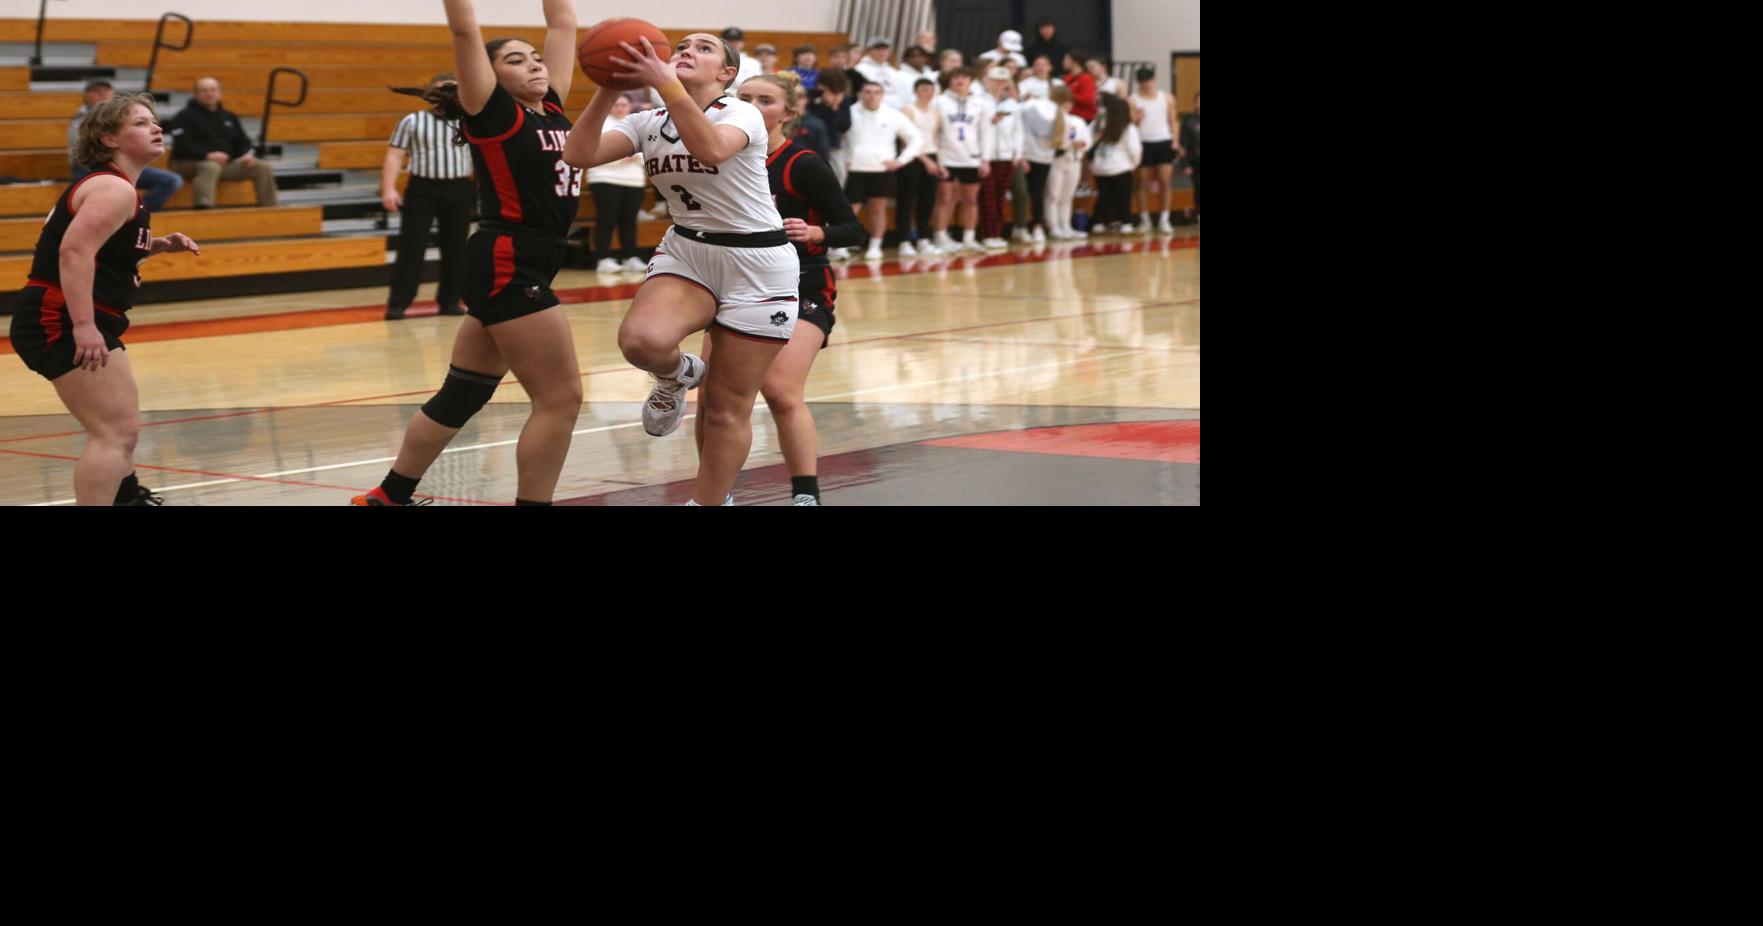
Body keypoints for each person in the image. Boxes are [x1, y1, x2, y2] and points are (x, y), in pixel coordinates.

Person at [352, 0, 583, 507]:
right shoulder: (493, 112)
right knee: (561, 399)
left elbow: (562, 22)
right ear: (490, 78)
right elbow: (464, 27)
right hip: (509, 259)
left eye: (535, 57)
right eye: (516, 60)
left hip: (523, 259)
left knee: (464, 392)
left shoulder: (553, 108)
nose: (535, 64)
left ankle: (389, 496)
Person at [563, 30, 802, 507]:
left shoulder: (743, 112)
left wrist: (663, 82)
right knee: (640, 342)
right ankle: (676, 374)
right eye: (684, 45)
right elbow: (577, 155)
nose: (689, 50)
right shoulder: (647, 119)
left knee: (725, 411)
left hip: (757, 263)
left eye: (705, 48)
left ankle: (707, 503)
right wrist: (608, 84)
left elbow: (711, 149)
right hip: (689, 248)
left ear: (727, 74)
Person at [10, 94, 201, 506]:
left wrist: (158, 246)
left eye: (155, 121)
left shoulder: (113, 187)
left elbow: (97, 247)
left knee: (122, 429)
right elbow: (72, 253)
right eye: (140, 123)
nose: (156, 128)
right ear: (109, 138)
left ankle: (127, 498)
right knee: (114, 432)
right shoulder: (113, 189)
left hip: (77, 314)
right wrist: (83, 326)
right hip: (60, 316)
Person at [695, 72, 864, 506]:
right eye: (744, 97)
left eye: (765, 100)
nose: (752, 105)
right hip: (734, 283)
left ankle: (805, 495)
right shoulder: (719, 158)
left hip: (802, 281)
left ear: (789, 112)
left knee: (780, 390)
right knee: (713, 399)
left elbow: (853, 228)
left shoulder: (802, 163)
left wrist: (816, 231)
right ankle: (717, 494)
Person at [380, 72, 473, 319]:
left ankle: (450, 301)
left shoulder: (469, 120)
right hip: (423, 188)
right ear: (430, 95)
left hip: (460, 188)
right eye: (441, 91)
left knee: (457, 248)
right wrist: (388, 188)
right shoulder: (412, 121)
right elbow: (394, 155)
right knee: (412, 246)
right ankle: (398, 303)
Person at [68, 78, 182, 212]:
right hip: (88, 167)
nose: (158, 129)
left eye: (106, 90)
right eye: (141, 123)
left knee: (170, 180)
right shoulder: (81, 121)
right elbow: (86, 153)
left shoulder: (121, 117)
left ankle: (137, 214)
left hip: (118, 166)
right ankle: (133, 214)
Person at [166, 76, 277, 207]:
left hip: (225, 164)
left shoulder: (229, 116)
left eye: (213, 90)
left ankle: (270, 208)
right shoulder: (183, 116)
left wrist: (246, 155)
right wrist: (207, 156)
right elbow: (182, 144)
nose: (209, 93)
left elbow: (242, 142)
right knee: (210, 166)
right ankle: (203, 209)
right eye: (204, 90)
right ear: (195, 94)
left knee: (262, 167)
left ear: (219, 93)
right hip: (187, 163)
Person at [842, 80, 923, 260]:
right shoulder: (849, 113)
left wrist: (901, 160)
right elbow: (838, 138)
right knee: (849, 210)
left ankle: (875, 245)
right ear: (860, 94)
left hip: (881, 170)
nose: (872, 96)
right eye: (868, 92)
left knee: (878, 208)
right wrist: (844, 158)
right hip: (854, 169)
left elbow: (916, 138)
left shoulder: (893, 115)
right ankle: (841, 246)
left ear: (882, 95)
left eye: (876, 92)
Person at [928, 67, 992, 253]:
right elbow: (934, 132)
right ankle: (940, 236)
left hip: (971, 158)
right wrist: (937, 158)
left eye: (964, 77)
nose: (960, 81)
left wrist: (985, 159)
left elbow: (986, 133)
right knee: (945, 199)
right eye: (956, 77)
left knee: (971, 200)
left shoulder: (980, 103)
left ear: (971, 80)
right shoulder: (939, 102)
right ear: (949, 80)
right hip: (947, 158)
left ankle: (969, 238)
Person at [586, 93, 648, 273]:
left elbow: (647, 151)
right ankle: (603, 258)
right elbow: (593, 151)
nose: (620, 108)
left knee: (629, 221)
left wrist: (634, 157)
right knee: (607, 219)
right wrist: (620, 158)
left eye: (624, 104)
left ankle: (630, 257)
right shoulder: (602, 124)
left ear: (629, 106)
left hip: (634, 180)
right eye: (616, 104)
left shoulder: (635, 123)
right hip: (605, 178)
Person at [976, 67, 1023, 249]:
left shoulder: (1013, 105)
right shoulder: (979, 103)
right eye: (995, 80)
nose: (999, 84)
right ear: (986, 81)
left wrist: (1016, 154)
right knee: (987, 197)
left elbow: (1018, 131)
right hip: (985, 157)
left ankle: (996, 232)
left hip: (1006, 156)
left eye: (1003, 81)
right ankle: (986, 233)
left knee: (1000, 197)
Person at [895, 77, 943, 255]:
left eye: (931, 90)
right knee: (907, 200)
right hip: (911, 159)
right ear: (915, 91)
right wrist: (926, 160)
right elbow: (905, 140)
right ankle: (904, 241)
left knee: (928, 200)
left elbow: (935, 138)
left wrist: (939, 162)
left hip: (931, 156)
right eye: (924, 89)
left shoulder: (936, 111)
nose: (928, 93)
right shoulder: (907, 110)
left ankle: (924, 239)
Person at [1130, 66, 1179, 234]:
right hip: (1143, 142)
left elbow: (1173, 121)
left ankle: (1164, 219)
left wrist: (1175, 142)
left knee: (1165, 180)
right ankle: (1145, 219)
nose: (1147, 85)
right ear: (1138, 83)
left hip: (1163, 141)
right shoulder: (1133, 100)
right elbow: (1131, 125)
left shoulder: (1166, 97)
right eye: (1143, 82)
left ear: (1154, 80)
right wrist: (1137, 119)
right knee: (1142, 181)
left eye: (1149, 81)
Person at [1040, 84, 1090, 239]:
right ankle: (1053, 226)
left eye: (1070, 102)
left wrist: (1082, 144)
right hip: (1057, 161)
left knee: (1067, 196)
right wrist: (1068, 144)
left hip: (1074, 161)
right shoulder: (1052, 120)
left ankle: (1066, 225)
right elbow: (1052, 141)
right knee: (1053, 194)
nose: (1068, 105)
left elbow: (1087, 140)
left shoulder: (1078, 121)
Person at [1086, 94, 1140, 233]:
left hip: (1099, 168)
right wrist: (1132, 165)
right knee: (1124, 196)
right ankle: (1126, 222)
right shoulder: (1127, 127)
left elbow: (1087, 145)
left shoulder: (1095, 124)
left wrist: (1093, 165)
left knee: (1104, 196)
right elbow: (1134, 150)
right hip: (1121, 167)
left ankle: (1099, 222)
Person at [855, 36, 908, 110]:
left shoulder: (892, 71)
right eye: (878, 49)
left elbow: (901, 92)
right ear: (869, 51)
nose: (882, 52)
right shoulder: (860, 69)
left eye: (885, 49)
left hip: (896, 109)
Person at [1179, 91, 1200, 221]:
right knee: (1198, 188)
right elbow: (1183, 144)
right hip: (1196, 160)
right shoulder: (1188, 121)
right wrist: (1185, 163)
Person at [1062, 51, 1098, 123]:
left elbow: (1088, 99)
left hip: (1083, 117)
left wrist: (1069, 95)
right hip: (1069, 116)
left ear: (1075, 62)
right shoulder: (1066, 77)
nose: (1063, 62)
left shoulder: (1087, 78)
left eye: (1066, 60)